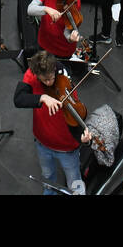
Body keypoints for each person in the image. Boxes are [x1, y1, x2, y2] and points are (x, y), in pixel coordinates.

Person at [13, 49, 89, 195]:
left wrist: (82, 139)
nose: (49, 82)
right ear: (37, 75)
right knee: (47, 176)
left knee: (75, 181)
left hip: (67, 148)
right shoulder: (32, 74)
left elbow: (75, 115)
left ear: (54, 69)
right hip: (42, 142)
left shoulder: (63, 78)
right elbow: (18, 99)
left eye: (51, 78)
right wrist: (42, 97)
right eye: (44, 79)